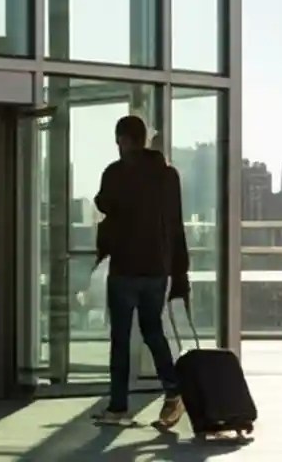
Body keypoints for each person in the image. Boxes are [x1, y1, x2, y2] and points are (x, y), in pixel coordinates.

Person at [91, 115, 190, 428]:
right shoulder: (167, 175)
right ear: (146, 138)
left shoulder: (116, 172)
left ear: (122, 139)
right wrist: (180, 273)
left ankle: (118, 407)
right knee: (153, 331)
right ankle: (174, 392)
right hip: (157, 269)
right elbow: (176, 226)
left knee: (121, 339)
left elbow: (106, 205)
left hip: (125, 267)